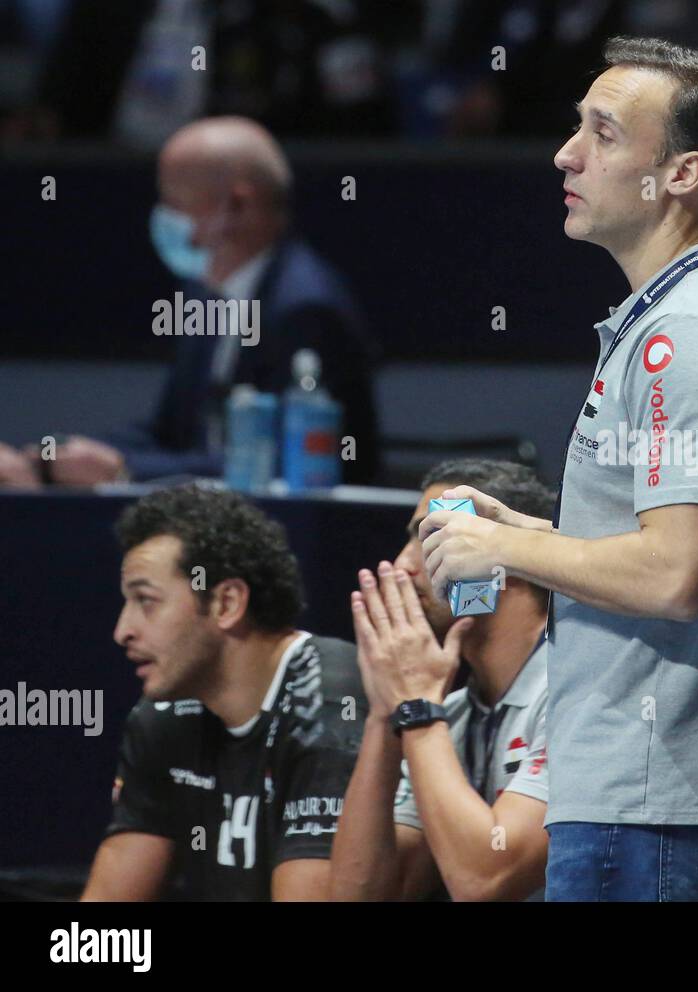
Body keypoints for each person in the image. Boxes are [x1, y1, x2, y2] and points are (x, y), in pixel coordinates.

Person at [420, 36, 698, 901]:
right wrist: (521, 528)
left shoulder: (689, 337)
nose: (567, 153)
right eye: (577, 127)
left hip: (653, 797)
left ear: (680, 173)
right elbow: (653, 544)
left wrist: (503, 557)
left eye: (603, 133)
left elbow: (678, 573)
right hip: (677, 791)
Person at [0, 116, 379, 487]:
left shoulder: (306, 308)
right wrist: (50, 459)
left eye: (174, 201)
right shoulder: (202, 293)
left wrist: (124, 470)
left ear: (237, 205)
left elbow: (284, 464)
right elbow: (172, 434)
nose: (162, 216)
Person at [82, 484, 365, 901]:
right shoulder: (163, 716)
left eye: (146, 601)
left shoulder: (330, 705)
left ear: (227, 602)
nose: (122, 630)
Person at [331, 459, 552, 902]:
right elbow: (364, 896)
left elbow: (486, 880)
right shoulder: (441, 716)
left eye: (433, 536)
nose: (401, 565)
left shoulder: (579, 692)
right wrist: (382, 716)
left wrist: (413, 706)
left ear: (504, 557)